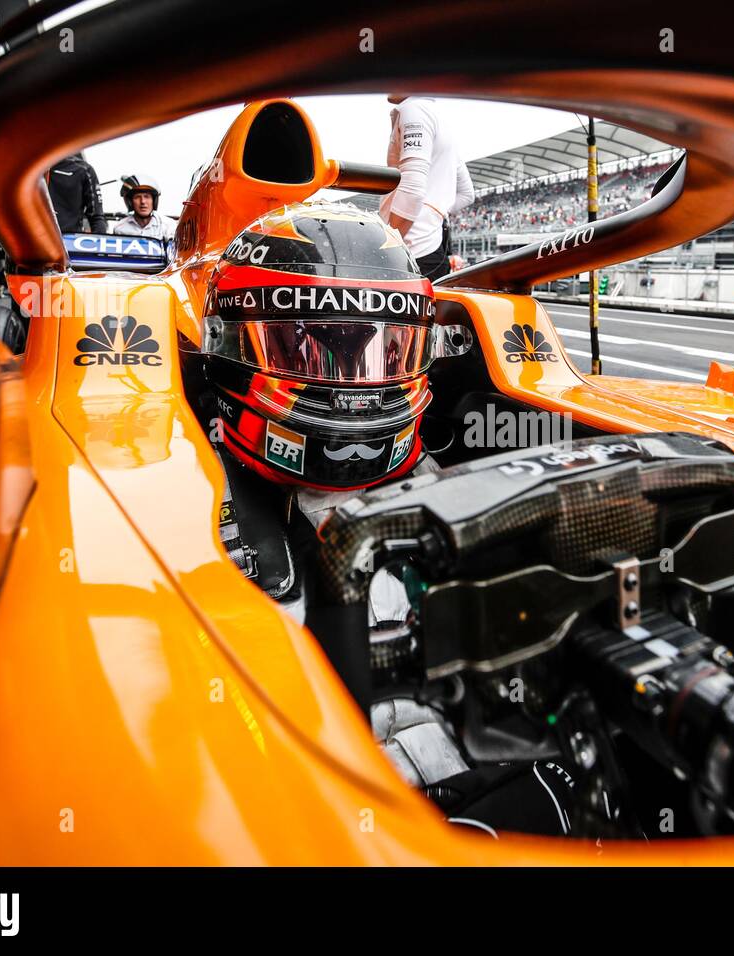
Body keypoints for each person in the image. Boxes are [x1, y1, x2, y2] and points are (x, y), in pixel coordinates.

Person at [194, 198, 574, 836]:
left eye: (381, 353)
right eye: (314, 352)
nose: (357, 385)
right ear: (230, 345)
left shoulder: (445, 490)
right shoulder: (188, 507)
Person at [378, 95, 474, 280]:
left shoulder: (414, 110)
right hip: (431, 249)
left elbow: (413, 189)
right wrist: (433, 210)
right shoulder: (439, 118)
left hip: (409, 250)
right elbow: (467, 194)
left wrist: (384, 245)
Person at [46, 153, 107, 234]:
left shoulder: (83, 170)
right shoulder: (30, 167)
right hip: (33, 238)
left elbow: (96, 217)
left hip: (68, 240)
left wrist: (98, 242)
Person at [113, 173, 177, 240]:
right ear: (130, 202)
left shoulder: (167, 226)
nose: (143, 201)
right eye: (137, 197)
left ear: (154, 201)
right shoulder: (120, 229)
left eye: (147, 197)